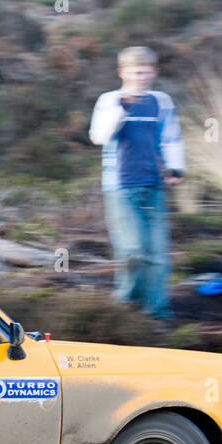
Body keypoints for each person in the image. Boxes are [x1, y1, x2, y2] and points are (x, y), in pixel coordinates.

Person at [88, 46, 184, 320]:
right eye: (134, 72)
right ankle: (124, 311)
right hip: (121, 186)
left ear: (154, 72)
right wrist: (122, 109)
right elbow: (99, 136)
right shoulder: (110, 100)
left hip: (153, 184)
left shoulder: (161, 101)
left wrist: (175, 167)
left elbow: (171, 137)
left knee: (157, 254)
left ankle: (157, 314)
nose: (140, 77)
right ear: (122, 72)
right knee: (133, 251)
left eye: (145, 72)